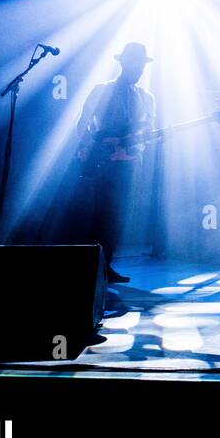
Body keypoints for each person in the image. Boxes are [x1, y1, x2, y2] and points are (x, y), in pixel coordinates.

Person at [75, 42, 156, 283]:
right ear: (123, 63)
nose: (140, 70)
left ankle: (105, 266)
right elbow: (83, 125)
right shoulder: (102, 90)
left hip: (129, 165)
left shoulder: (147, 97)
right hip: (102, 163)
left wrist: (137, 145)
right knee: (98, 215)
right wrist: (97, 147)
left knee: (117, 218)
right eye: (136, 64)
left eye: (142, 65)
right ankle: (90, 266)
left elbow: (148, 132)